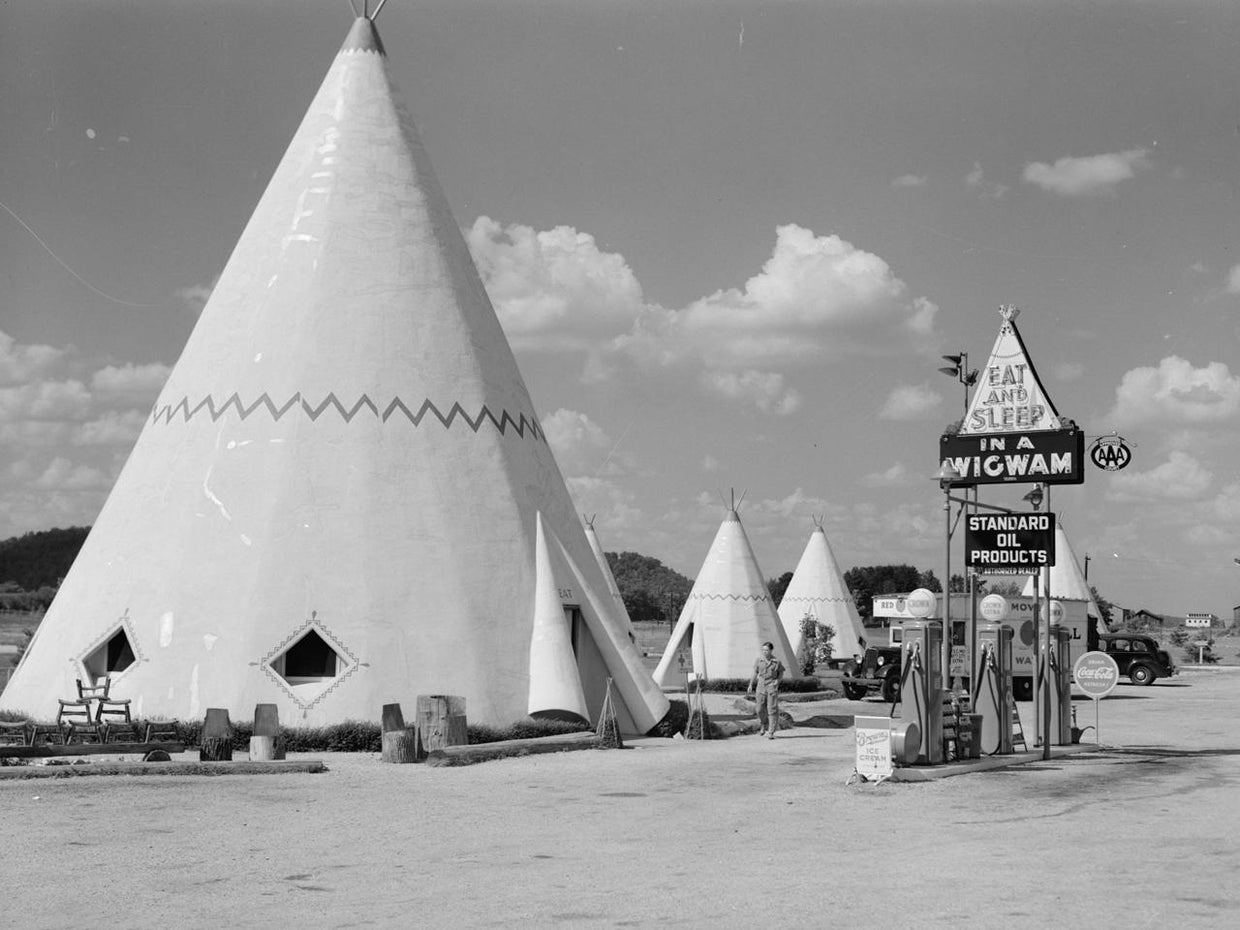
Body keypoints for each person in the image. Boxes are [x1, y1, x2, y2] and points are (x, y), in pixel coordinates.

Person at [747, 641, 785, 739]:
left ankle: (771, 732)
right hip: (760, 686)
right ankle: (763, 724)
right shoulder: (759, 661)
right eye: (763, 650)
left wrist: (778, 681)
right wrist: (751, 684)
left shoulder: (777, 662)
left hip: (771, 686)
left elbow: (781, 673)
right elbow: (755, 673)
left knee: (771, 709)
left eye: (766, 650)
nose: (764, 652)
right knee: (759, 709)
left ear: (771, 650)